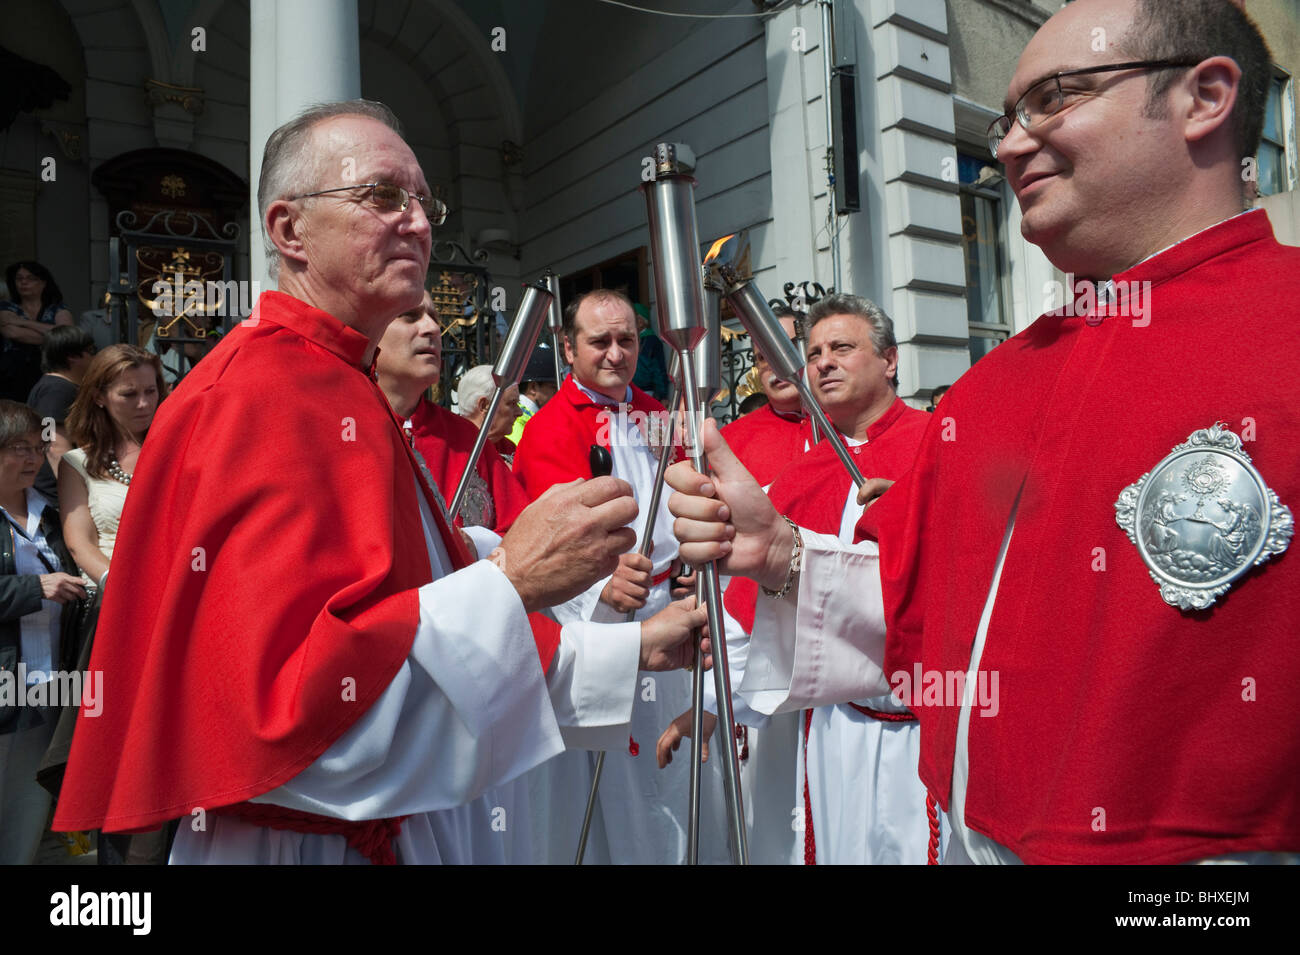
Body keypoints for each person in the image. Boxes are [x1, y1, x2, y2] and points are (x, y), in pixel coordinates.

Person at [666, 0, 1299, 864]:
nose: (1006, 145)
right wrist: (780, 552)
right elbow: (918, 603)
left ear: (1204, 96)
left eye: (1055, 99)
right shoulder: (991, 390)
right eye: (1009, 116)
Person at [51, 99, 707, 865]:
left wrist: (628, 652)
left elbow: (404, 620)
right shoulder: (256, 394)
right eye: (383, 196)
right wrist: (508, 577)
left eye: (426, 201)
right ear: (289, 229)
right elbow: (289, 711)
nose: (420, 222)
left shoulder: (340, 382)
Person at [660, 294, 939, 864]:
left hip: (929, 724)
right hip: (835, 728)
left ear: (889, 359)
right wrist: (713, 704)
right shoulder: (804, 475)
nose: (824, 363)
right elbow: (751, 609)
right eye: (813, 353)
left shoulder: (940, 445)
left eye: (842, 348)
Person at [514, 287, 730, 865]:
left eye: (627, 340)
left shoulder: (657, 415)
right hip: (608, 630)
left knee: (684, 777)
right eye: (599, 341)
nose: (615, 353)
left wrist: (687, 562)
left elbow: (695, 494)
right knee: (621, 795)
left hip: (673, 619)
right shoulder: (549, 430)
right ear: (568, 347)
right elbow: (543, 552)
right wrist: (600, 590)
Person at [0, 400, 86, 864]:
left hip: (48, 685)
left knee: (27, 808)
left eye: (38, 447)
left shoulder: (51, 513)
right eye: (19, 448)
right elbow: (39, 585)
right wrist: (36, 587)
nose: (33, 458)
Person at [376, 293, 530, 535]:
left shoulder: (467, 438)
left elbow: (521, 530)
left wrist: (477, 546)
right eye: (409, 315)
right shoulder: (342, 428)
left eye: (434, 317)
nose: (432, 328)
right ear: (369, 331)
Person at [720, 305, 809, 487]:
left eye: (787, 349)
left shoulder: (852, 422)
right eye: (763, 357)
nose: (776, 364)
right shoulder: (730, 440)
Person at [25, 325, 96, 504]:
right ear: (72, 357)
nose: (94, 357)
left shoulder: (56, 386)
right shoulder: (57, 390)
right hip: (56, 497)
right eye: (90, 351)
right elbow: (55, 445)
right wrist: (73, 493)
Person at [1, 261, 75, 402]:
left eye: (30, 278)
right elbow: (13, 333)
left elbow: (67, 334)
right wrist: (54, 334)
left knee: (47, 418)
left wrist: (22, 322)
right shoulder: (6, 307)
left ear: (43, 283)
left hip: (50, 372)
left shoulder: (57, 308)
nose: (23, 282)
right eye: (19, 278)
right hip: (12, 375)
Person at [456, 364, 522, 465]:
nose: (519, 413)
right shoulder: (453, 448)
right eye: (511, 403)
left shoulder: (509, 448)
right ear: (484, 406)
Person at [507, 348, 559, 447]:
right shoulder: (523, 425)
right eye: (553, 387)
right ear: (533, 388)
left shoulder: (522, 421)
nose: (558, 393)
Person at [631, 302, 669, 402]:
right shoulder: (631, 340)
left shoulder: (651, 341)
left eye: (633, 318)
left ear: (641, 322)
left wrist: (662, 395)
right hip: (630, 392)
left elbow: (659, 369)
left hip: (647, 393)